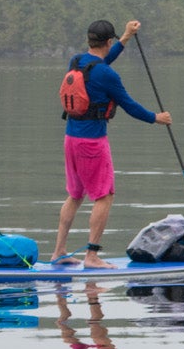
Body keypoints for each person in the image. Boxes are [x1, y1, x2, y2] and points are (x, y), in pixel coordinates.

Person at [53, 19, 172, 270]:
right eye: (113, 42)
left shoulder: (76, 62)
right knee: (104, 196)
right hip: (92, 144)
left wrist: (126, 37)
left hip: (70, 139)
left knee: (75, 195)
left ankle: (59, 252)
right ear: (108, 41)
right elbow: (129, 105)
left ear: (89, 40)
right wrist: (156, 118)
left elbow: (100, 64)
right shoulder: (107, 74)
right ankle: (92, 256)